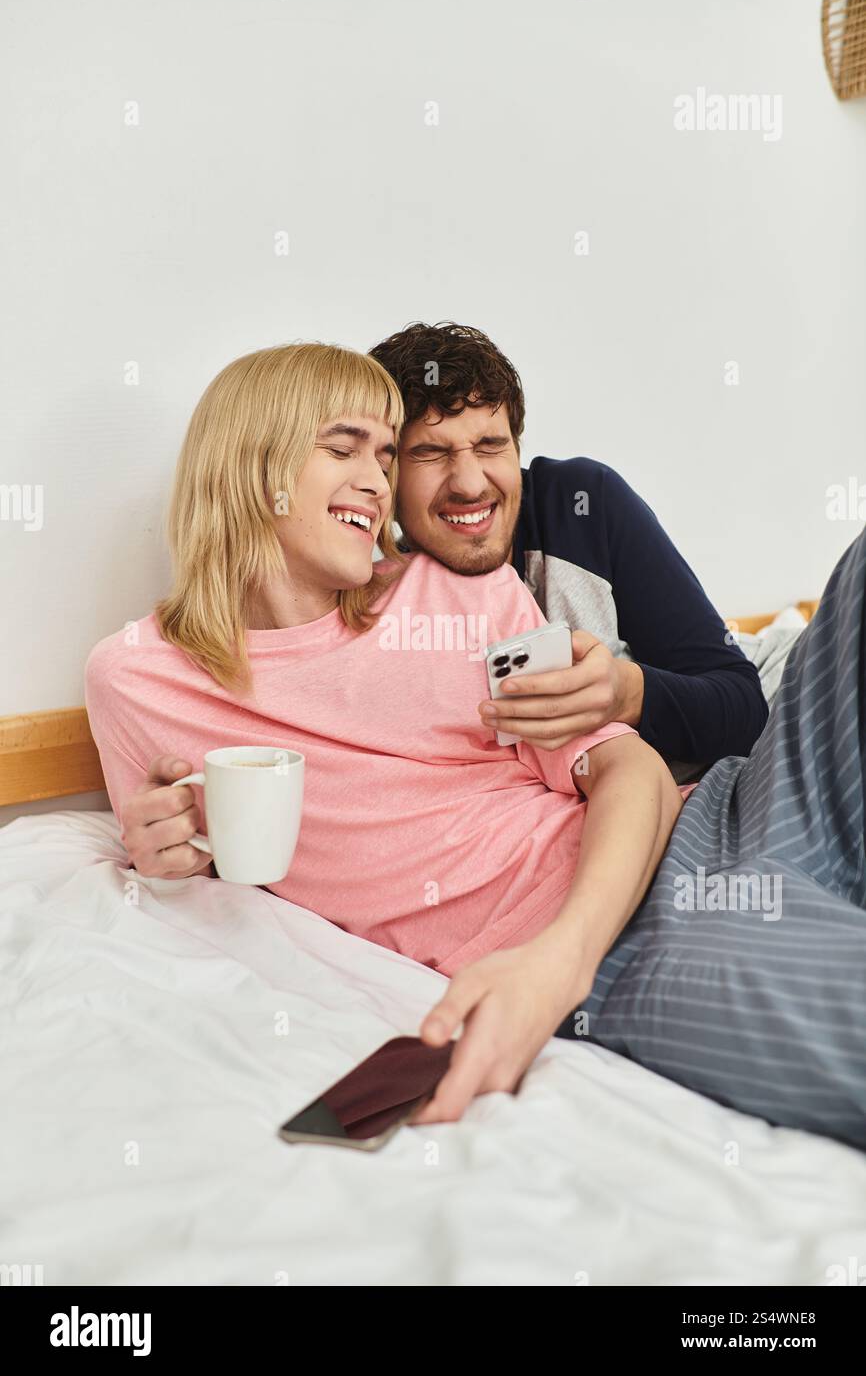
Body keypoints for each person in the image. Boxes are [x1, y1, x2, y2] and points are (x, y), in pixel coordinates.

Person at [89, 342, 866, 1150]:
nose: (375, 480)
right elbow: (171, 836)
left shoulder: (458, 591)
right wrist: (159, 850)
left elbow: (624, 765)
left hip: (733, 812)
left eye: (385, 454)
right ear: (253, 466)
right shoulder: (136, 679)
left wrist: (558, 964)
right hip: (656, 936)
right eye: (345, 447)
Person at [368, 322, 768, 781]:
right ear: (388, 474)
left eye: (490, 446)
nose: (470, 483)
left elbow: (744, 709)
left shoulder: (584, 505)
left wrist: (626, 694)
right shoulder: (382, 593)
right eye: (431, 453)